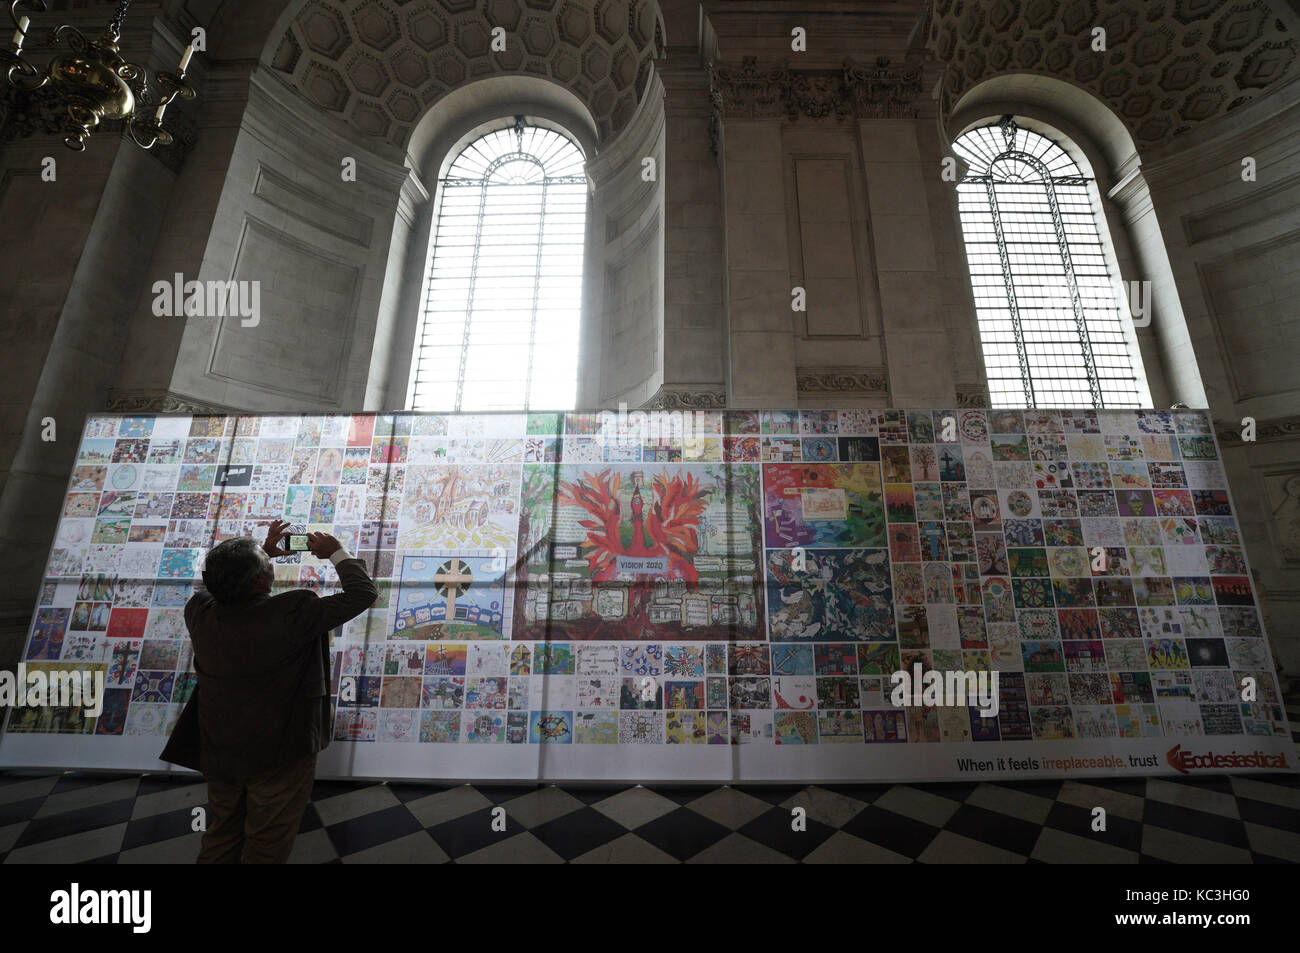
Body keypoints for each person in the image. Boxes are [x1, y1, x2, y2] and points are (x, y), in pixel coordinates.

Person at [183, 520, 377, 863]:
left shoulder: (199, 612)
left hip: (220, 744)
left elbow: (221, 585)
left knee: (223, 830)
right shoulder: (291, 612)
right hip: (280, 749)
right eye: (267, 565)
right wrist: (335, 553)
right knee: (267, 838)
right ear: (261, 580)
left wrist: (262, 553)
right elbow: (363, 592)